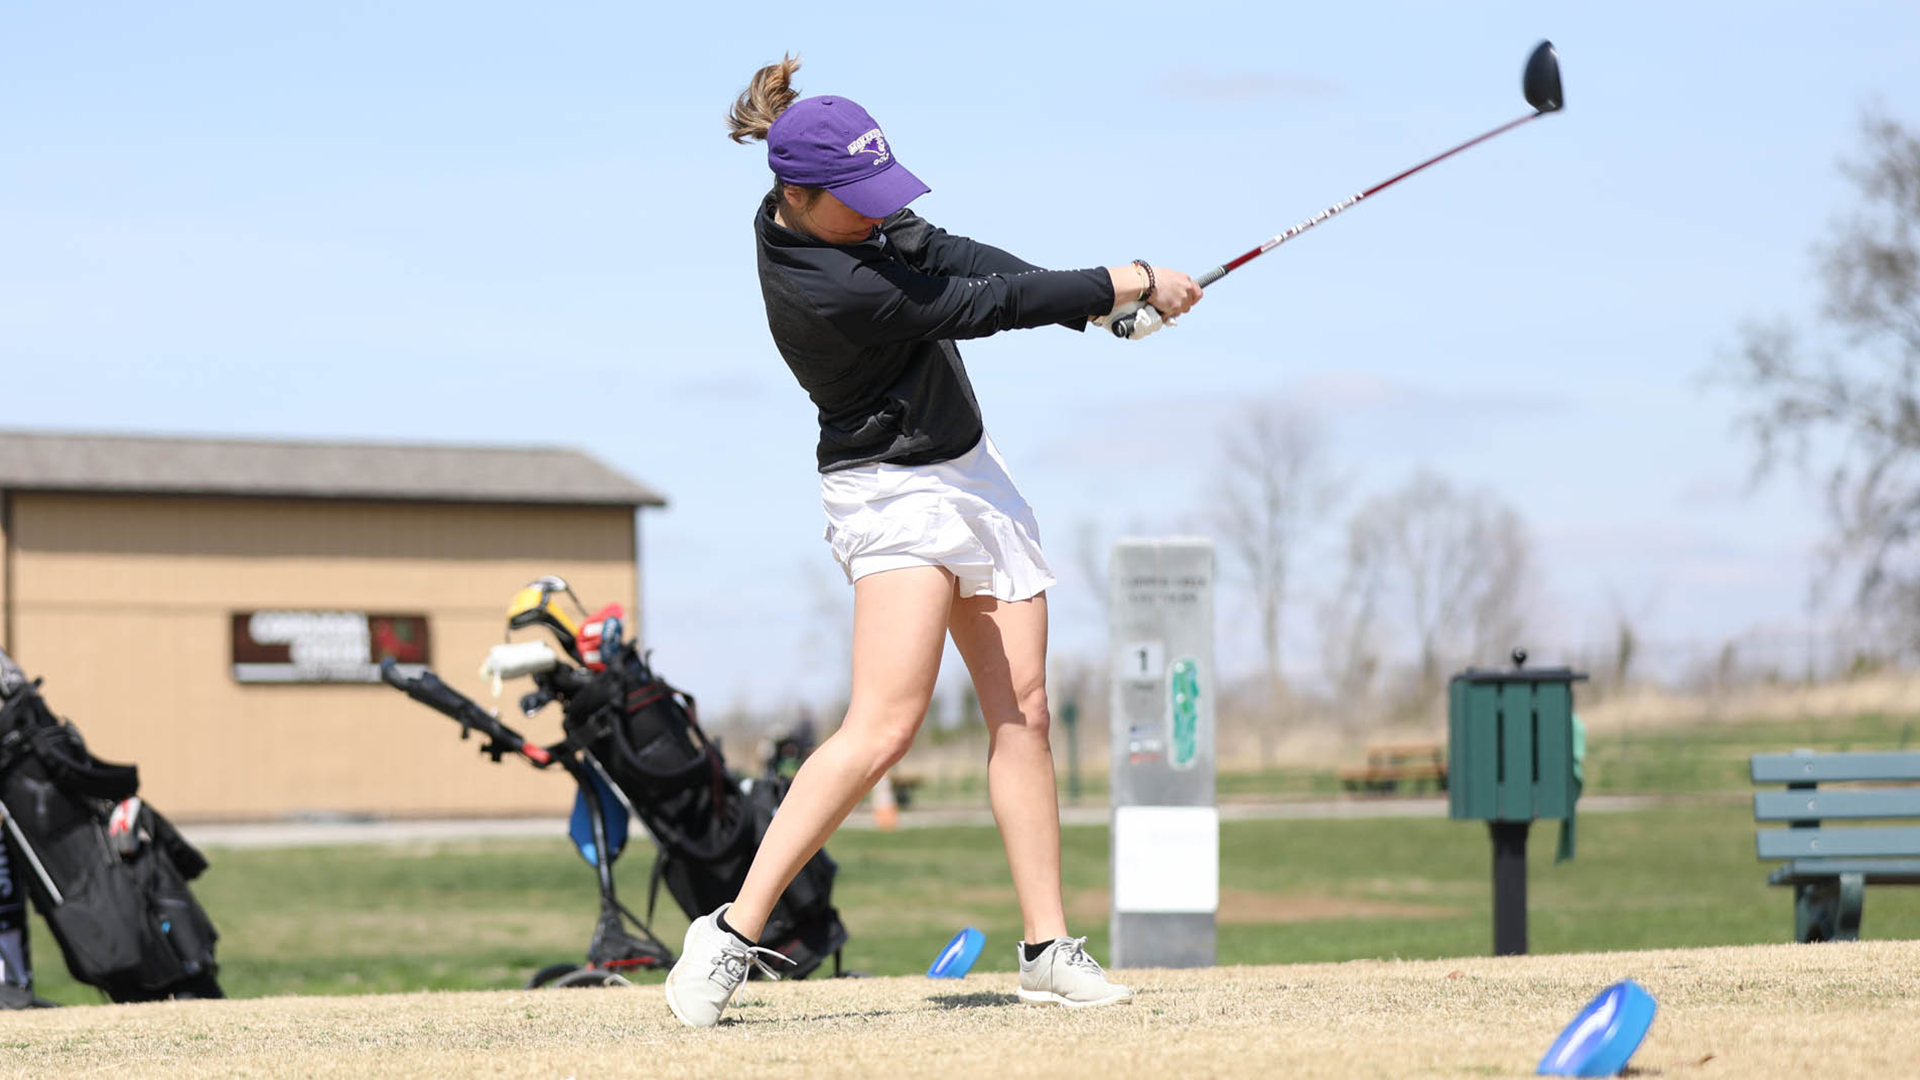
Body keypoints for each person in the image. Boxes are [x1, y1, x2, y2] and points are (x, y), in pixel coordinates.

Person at [663, 56, 1203, 1029]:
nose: (880, 213)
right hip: (888, 491)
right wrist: (1125, 278)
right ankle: (731, 935)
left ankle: (1048, 948)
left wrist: (1088, 301)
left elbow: (954, 254)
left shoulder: (837, 211)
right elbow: (973, 307)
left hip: (968, 470)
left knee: (1026, 712)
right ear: (799, 193)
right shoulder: (827, 286)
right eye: (860, 201)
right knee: (883, 728)